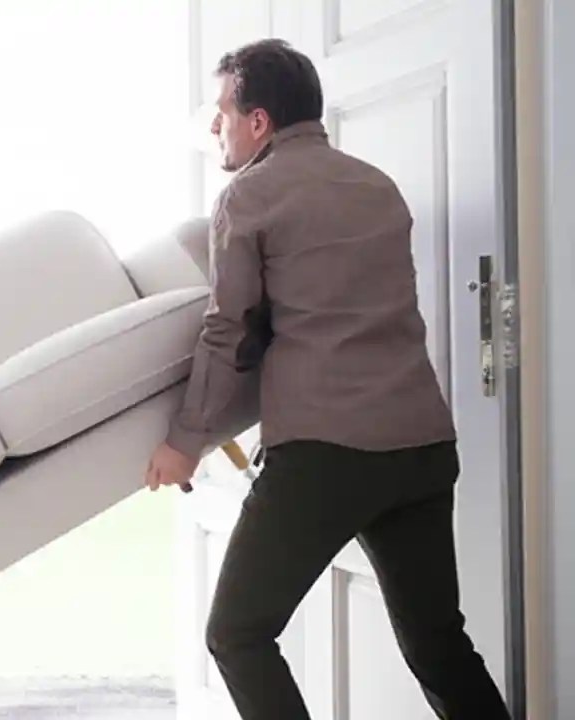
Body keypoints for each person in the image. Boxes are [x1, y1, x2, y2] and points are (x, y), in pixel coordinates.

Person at [144, 39, 510, 719]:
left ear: (259, 121)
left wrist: (184, 441)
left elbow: (228, 330)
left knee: (237, 634)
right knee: (437, 642)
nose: (215, 125)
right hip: (423, 446)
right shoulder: (377, 185)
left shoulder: (247, 196)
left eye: (223, 111)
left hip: (325, 456)